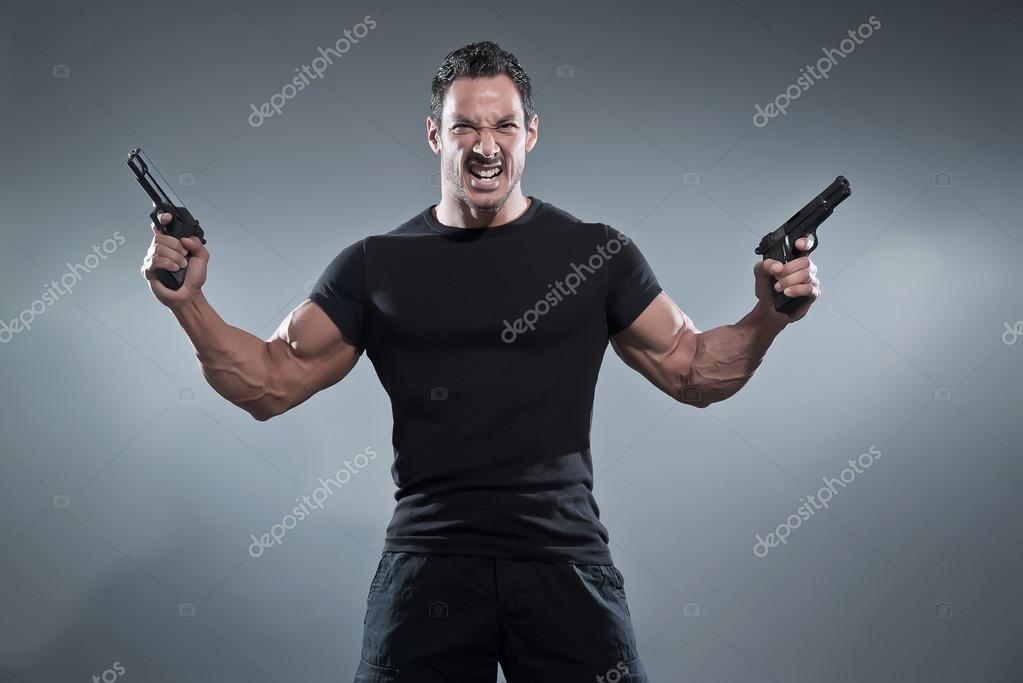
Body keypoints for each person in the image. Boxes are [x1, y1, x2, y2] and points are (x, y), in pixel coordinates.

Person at [141, 40, 820, 683]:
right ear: (435, 135)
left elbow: (694, 370)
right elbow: (269, 382)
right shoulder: (375, 264)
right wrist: (188, 305)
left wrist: (769, 313)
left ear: (530, 132)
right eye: (464, 126)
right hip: (428, 566)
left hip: (563, 564)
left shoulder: (596, 254)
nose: (485, 146)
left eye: (503, 125)